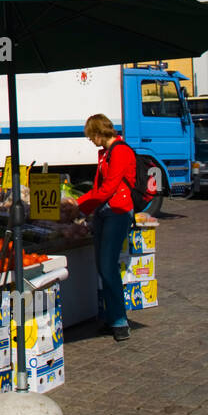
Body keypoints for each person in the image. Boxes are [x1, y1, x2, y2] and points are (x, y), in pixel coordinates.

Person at [74, 113, 136, 342]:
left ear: (100, 133)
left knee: (109, 267)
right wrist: (80, 204)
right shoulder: (106, 153)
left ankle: (120, 321)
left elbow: (108, 187)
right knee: (103, 266)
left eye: (92, 136)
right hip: (104, 212)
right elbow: (99, 187)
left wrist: (80, 207)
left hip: (118, 212)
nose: (91, 140)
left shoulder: (120, 151)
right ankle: (111, 317)